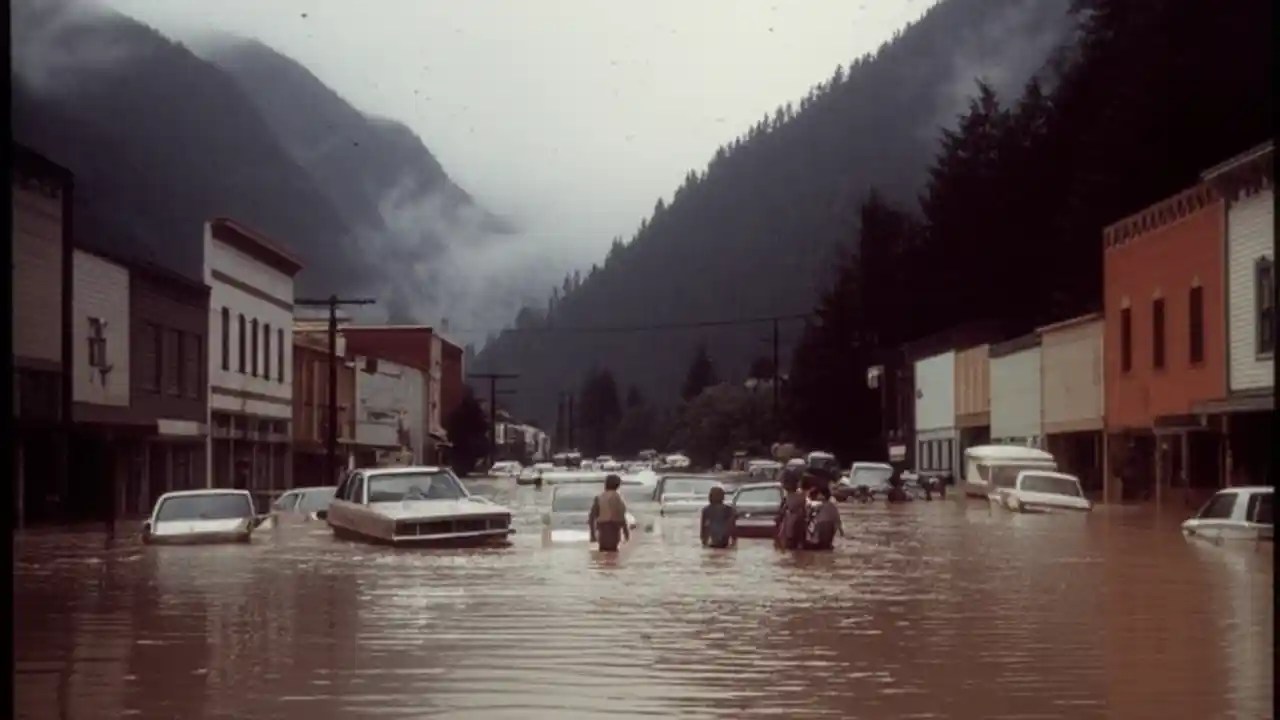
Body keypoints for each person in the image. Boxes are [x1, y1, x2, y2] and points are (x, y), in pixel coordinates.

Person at [588, 474, 630, 552]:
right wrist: (626, 532)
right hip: (614, 528)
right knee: (613, 551)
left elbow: (592, 517)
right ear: (617, 485)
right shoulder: (617, 498)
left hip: (602, 528)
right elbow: (621, 516)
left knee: (603, 550)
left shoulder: (599, 497)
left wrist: (592, 534)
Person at [775, 470, 808, 550]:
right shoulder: (799, 496)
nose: (782, 485)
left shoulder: (795, 498)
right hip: (792, 530)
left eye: (783, 482)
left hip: (792, 530)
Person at [805, 485, 843, 550]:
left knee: (817, 544)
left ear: (822, 495)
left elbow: (810, 517)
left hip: (821, 526)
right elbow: (837, 519)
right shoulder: (832, 506)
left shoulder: (819, 506)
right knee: (826, 545)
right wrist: (840, 530)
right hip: (829, 527)